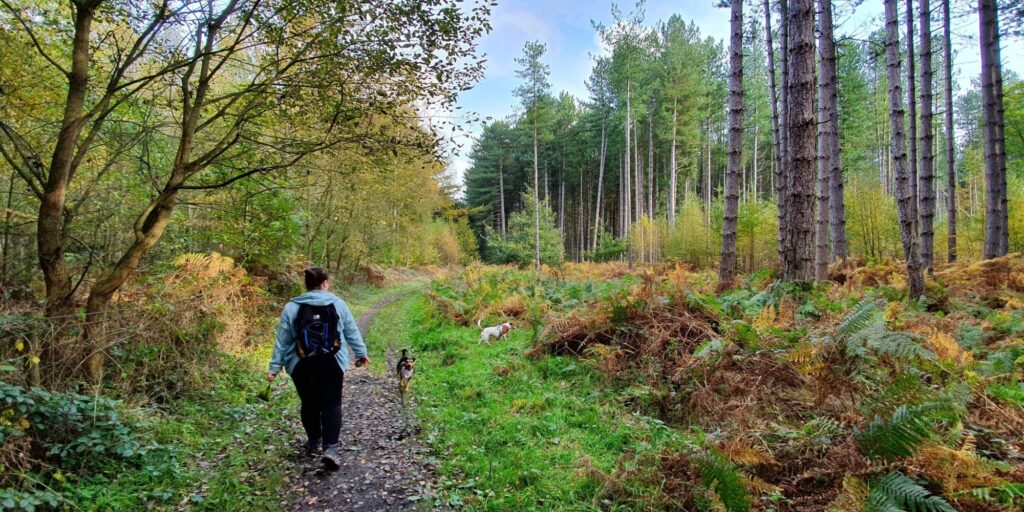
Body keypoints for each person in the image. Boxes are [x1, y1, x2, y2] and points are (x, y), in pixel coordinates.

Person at [267, 267, 370, 469]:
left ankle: (314, 440)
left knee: (309, 403)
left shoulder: (292, 307)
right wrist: (361, 353)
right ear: (325, 283)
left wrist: (275, 367)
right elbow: (351, 330)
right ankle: (331, 448)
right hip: (332, 362)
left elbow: (282, 340)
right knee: (332, 404)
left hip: (300, 362)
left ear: (306, 285)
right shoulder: (338, 304)